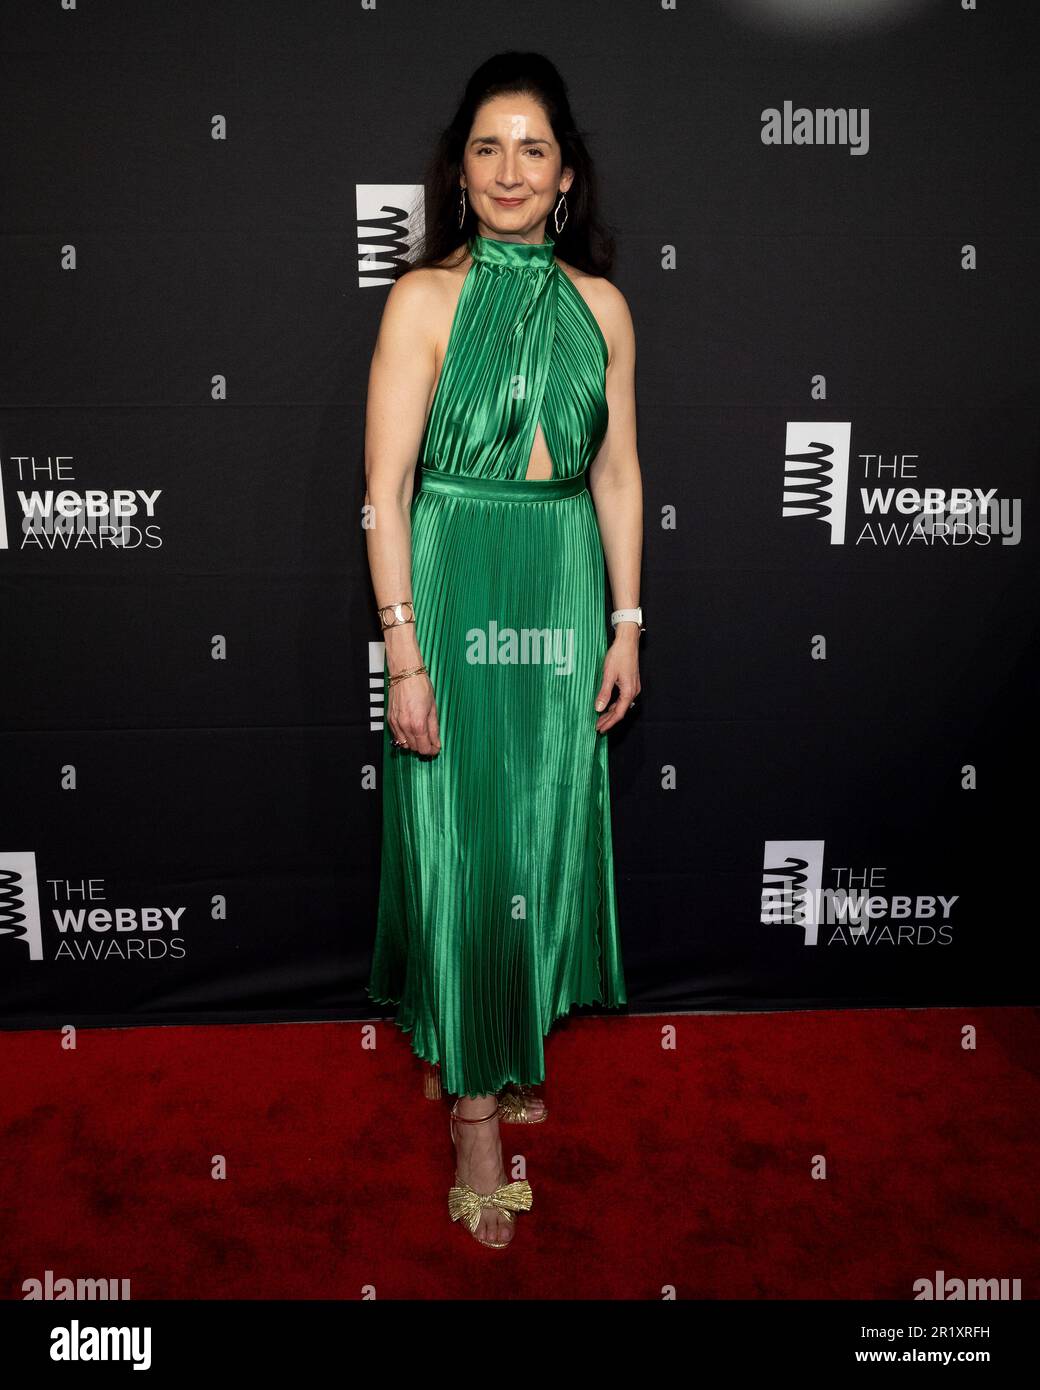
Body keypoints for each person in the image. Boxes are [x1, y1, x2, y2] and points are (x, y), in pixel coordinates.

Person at [364, 51, 643, 1249]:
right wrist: (404, 651)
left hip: (564, 577)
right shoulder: (422, 298)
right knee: (466, 839)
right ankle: (473, 1118)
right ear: (460, 175)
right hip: (455, 569)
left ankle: (497, 1036)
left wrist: (626, 621)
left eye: (533, 147)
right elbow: (382, 487)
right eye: (488, 147)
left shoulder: (604, 308)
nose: (510, 168)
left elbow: (619, 475)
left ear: (565, 175)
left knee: (536, 823)